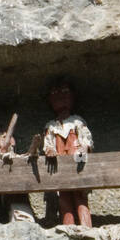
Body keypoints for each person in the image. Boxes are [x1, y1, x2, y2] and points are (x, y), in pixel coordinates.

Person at [43, 79, 93, 229]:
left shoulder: (77, 121)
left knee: (80, 196)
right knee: (64, 198)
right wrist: (49, 150)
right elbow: (48, 142)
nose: (59, 96)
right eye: (54, 93)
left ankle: (86, 228)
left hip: (76, 161)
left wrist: (84, 148)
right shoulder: (51, 126)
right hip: (60, 165)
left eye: (65, 92)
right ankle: (68, 228)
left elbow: (86, 137)